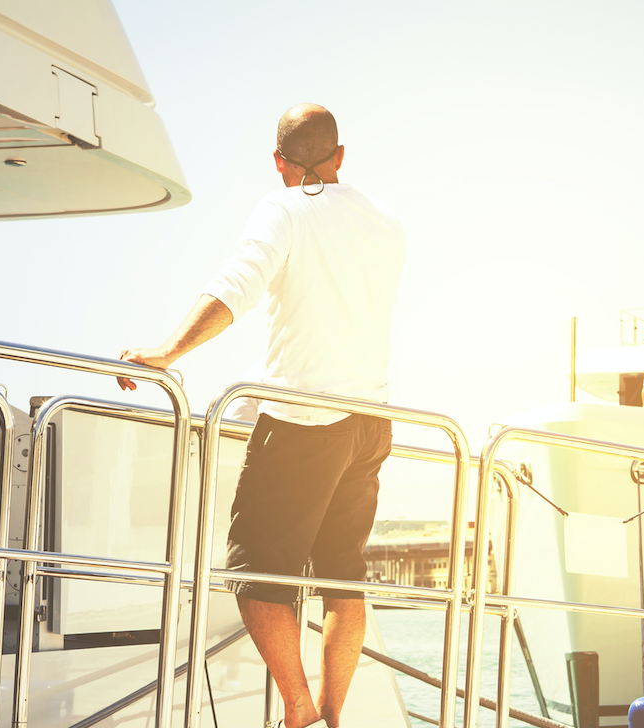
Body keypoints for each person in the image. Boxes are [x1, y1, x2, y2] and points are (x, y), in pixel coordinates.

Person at [118, 104, 405, 728]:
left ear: (279, 162)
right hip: (371, 421)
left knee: (251, 573)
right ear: (341, 155)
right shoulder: (386, 222)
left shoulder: (285, 210)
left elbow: (237, 286)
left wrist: (168, 350)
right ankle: (332, 717)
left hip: (306, 420)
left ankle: (297, 711)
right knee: (341, 579)